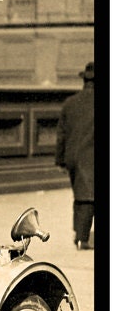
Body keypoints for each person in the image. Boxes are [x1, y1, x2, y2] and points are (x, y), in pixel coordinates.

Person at [55, 61, 94, 250]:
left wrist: (60, 160)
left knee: (81, 194)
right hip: (91, 157)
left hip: (73, 158)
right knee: (88, 197)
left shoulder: (70, 103)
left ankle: (79, 234)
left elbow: (61, 133)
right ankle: (82, 237)